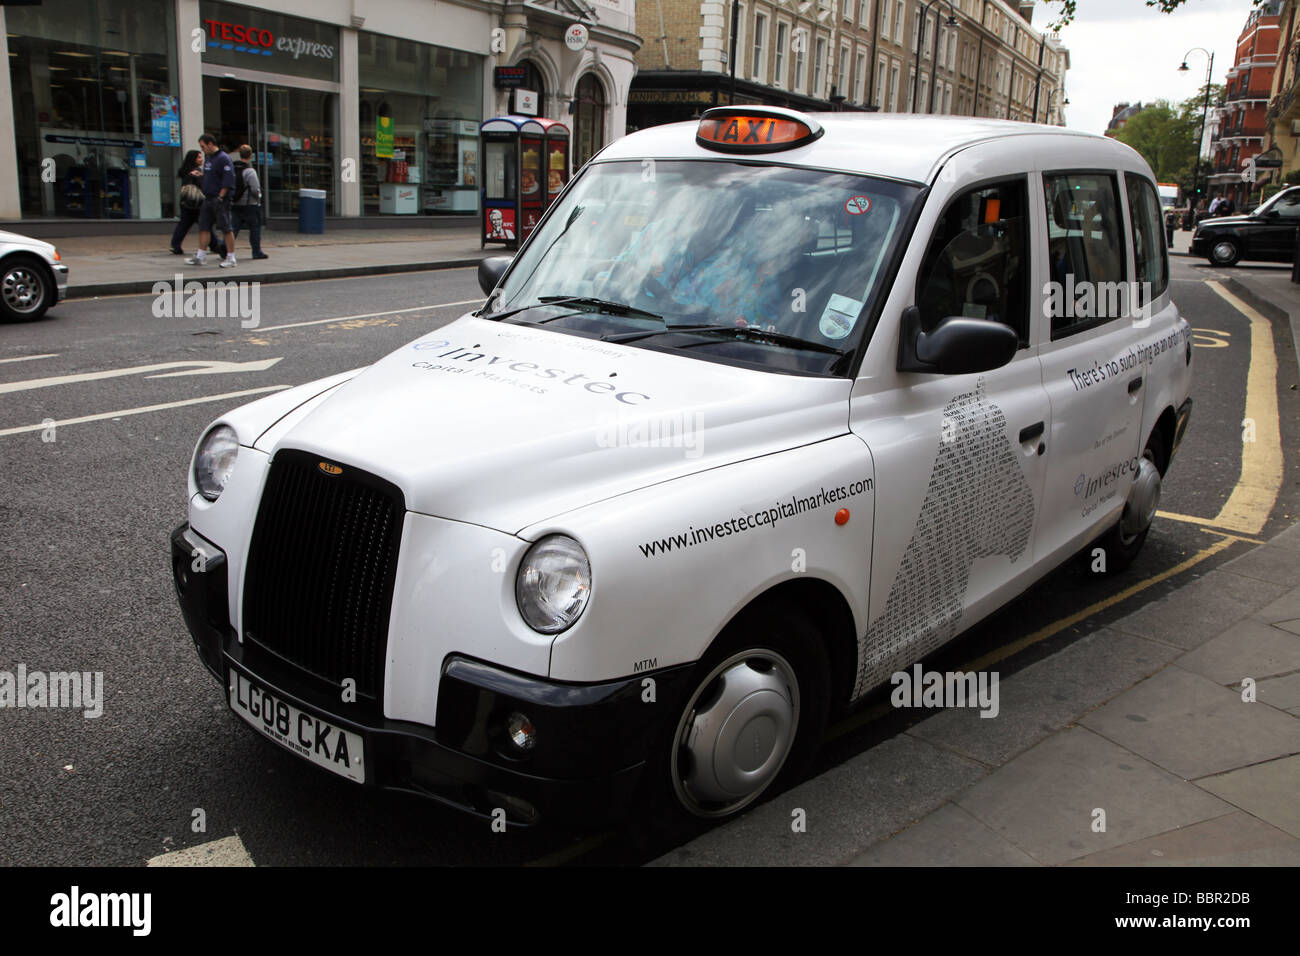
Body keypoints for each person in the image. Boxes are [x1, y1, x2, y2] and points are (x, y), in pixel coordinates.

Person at [186, 133, 237, 268]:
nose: (202, 150)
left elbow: (228, 179)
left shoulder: (224, 158)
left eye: (203, 146)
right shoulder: (209, 159)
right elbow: (212, 176)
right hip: (208, 198)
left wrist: (221, 196)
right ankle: (200, 256)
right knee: (204, 227)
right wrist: (201, 175)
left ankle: (231, 257)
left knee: (226, 228)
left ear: (210, 144)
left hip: (220, 199)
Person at [230, 145, 268, 260]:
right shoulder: (249, 171)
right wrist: (258, 199)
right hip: (250, 204)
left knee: (233, 228)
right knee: (255, 228)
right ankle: (256, 252)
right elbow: (255, 188)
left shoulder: (233, 168)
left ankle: (225, 248)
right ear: (250, 155)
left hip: (236, 204)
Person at [170, 150, 207, 255]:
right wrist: (201, 177)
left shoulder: (185, 171)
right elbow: (202, 186)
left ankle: (175, 245)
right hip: (196, 202)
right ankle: (215, 245)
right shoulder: (196, 172)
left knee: (184, 224)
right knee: (205, 224)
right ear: (194, 159)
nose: (202, 159)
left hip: (186, 201)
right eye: (199, 157)